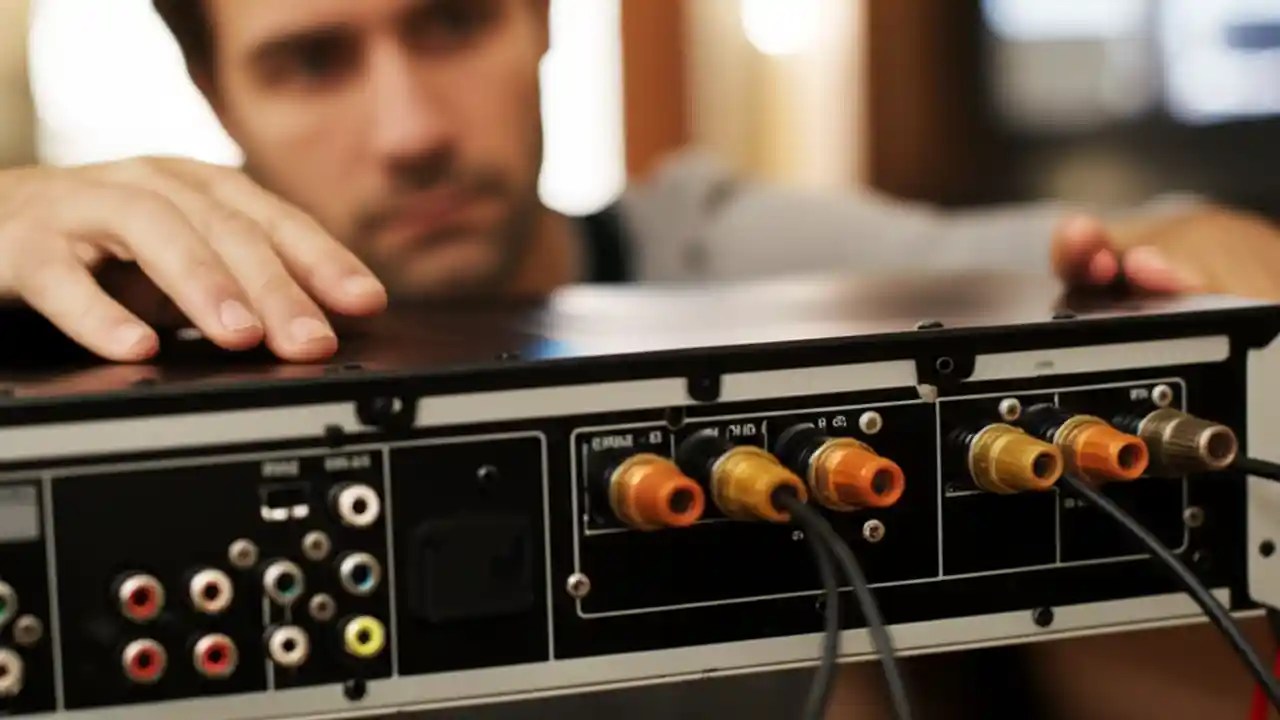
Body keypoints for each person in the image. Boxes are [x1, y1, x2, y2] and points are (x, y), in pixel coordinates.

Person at [0, 1, 1276, 717]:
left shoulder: (722, 246)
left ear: (543, 21)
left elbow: (1203, 248)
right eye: (312, 61)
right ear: (217, 99)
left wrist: (1161, 275)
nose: (408, 133)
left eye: (449, 22)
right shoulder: (107, 329)